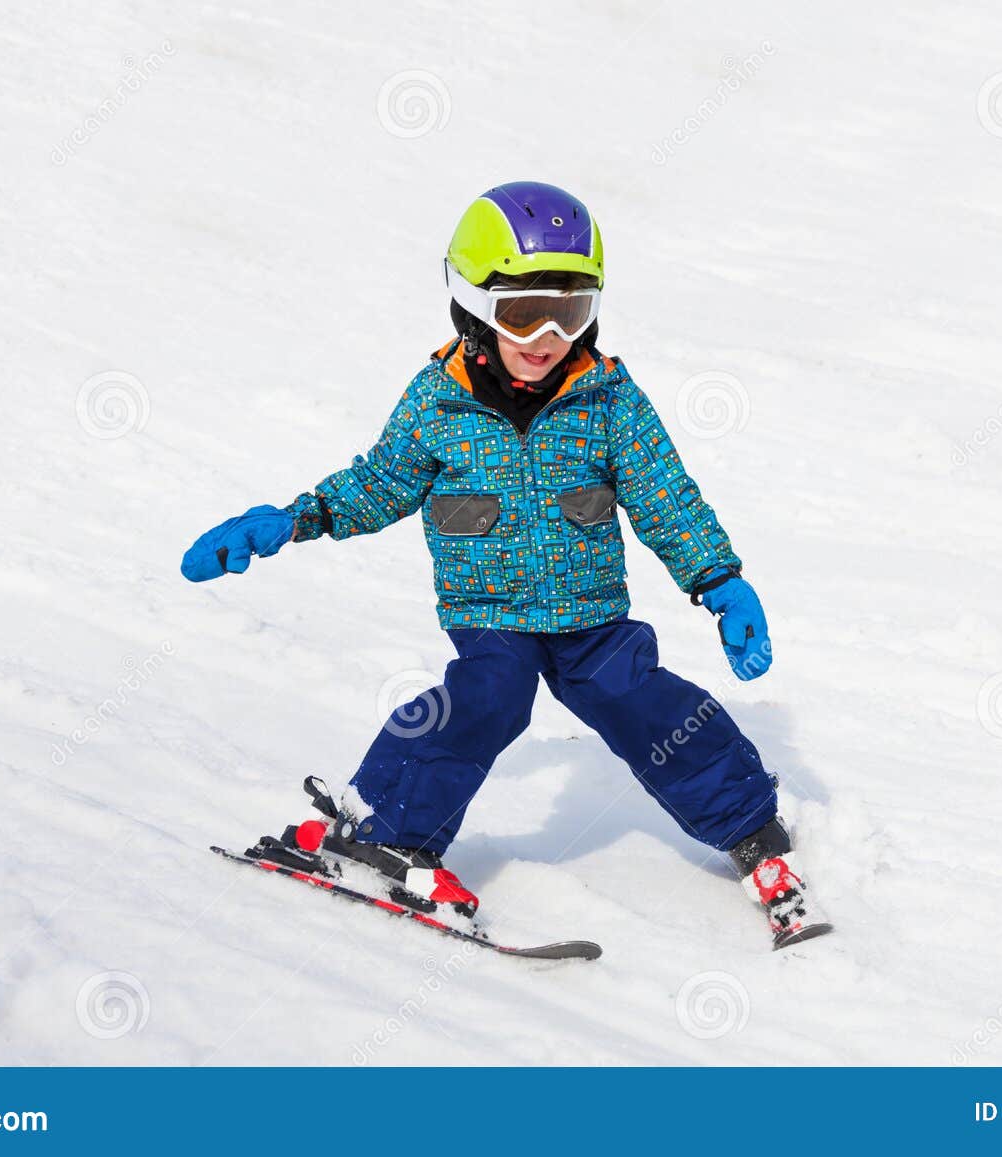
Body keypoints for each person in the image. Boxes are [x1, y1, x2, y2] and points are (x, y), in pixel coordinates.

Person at [182, 181, 829, 947]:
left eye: (573, 309)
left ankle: (753, 828)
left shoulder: (608, 398)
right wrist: (295, 519)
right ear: (474, 304)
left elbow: (666, 496)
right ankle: (382, 831)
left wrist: (718, 579)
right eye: (525, 312)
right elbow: (380, 483)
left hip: (591, 616)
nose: (548, 334)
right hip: (489, 612)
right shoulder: (438, 402)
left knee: (648, 701)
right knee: (489, 695)